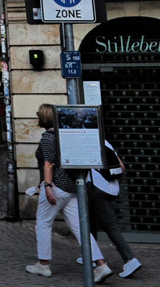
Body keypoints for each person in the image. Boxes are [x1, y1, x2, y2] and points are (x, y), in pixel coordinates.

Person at [28, 103, 110, 280]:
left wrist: (47, 186)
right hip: (72, 188)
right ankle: (101, 264)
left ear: (44, 118)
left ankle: (43, 265)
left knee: (43, 223)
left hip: (56, 186)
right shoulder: (64, 135)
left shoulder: (48, 137)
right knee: (81, 228)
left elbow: (49, 163)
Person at [86, 140, 141, 278]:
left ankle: (130, 260)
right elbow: (121, 167)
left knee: (110, 226)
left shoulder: (85, 140)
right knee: (90, 220)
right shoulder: (104, 141)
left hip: (96, 188)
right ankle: (90, 256)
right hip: (110, 188)